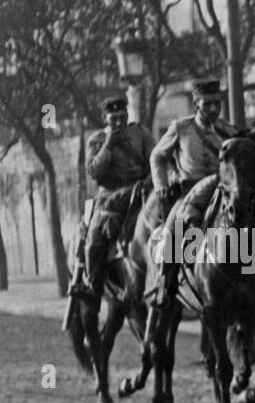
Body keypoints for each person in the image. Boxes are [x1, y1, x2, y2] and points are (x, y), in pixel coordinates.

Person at [75, 96, 155, 297]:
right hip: (108, 198)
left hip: (140, 192)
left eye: (122, 117)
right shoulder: (97, 140)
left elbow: (156, 162)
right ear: (104, 118)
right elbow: (94, 172)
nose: (119, 123)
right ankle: (92, 284)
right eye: (113, 119)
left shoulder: (141, 134)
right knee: (94, 239)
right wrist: (108, 146)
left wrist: (147, 182)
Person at [149, 79, 234, 220]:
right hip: (190, 194)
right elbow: (157, 156)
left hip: (224, 193)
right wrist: (161, 185)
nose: (213, 109)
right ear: (196, 104)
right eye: (207, 104)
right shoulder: (181, 128)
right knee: (171, 234)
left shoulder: (229, 131)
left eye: (217, 103)